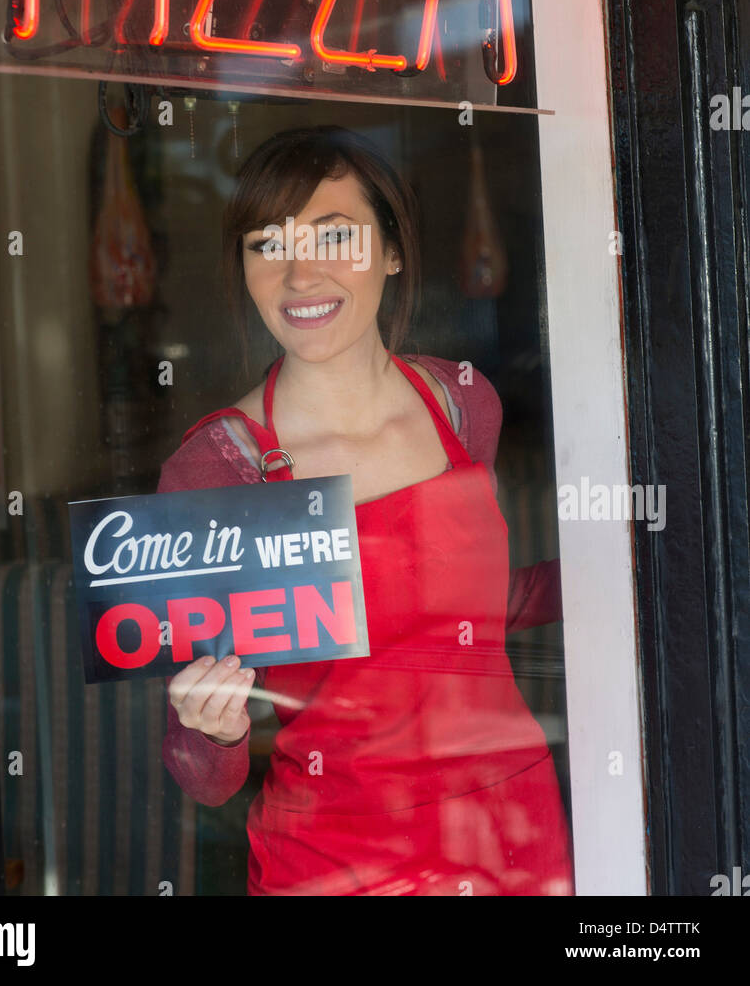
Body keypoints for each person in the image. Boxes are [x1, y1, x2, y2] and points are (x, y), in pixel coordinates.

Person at [156, 124, 574, 896]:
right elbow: (206, 779)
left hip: (508, 831)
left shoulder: (463, 403)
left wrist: (608, 576)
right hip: (332, 857)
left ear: (392, 250)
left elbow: (460, 613)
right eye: (266, 245)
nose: (299, 275)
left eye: (335, 236)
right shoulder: (217, 468)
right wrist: (210, 727)